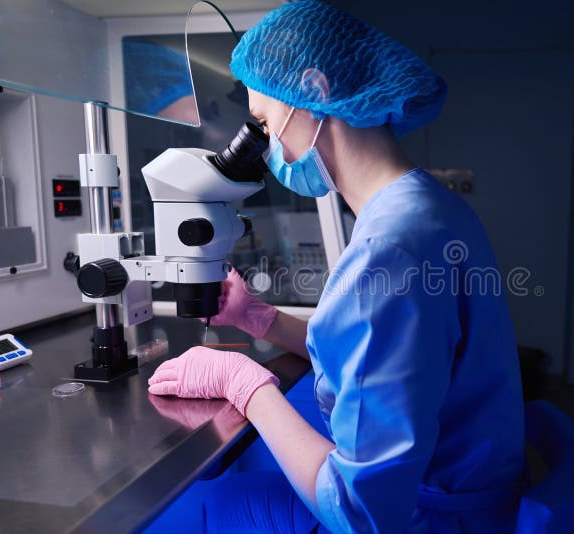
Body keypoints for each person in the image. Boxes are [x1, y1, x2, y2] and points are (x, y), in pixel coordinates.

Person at [147, 1, 525, 532]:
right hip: (461, 491)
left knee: (194, 508)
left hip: (424, 517)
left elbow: (360, 512)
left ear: (316, 90)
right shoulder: (424, 207)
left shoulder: (389, 249)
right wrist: (262, 320)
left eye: (263, 121)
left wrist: (245, 383)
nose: (267, 144)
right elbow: (389, 360)